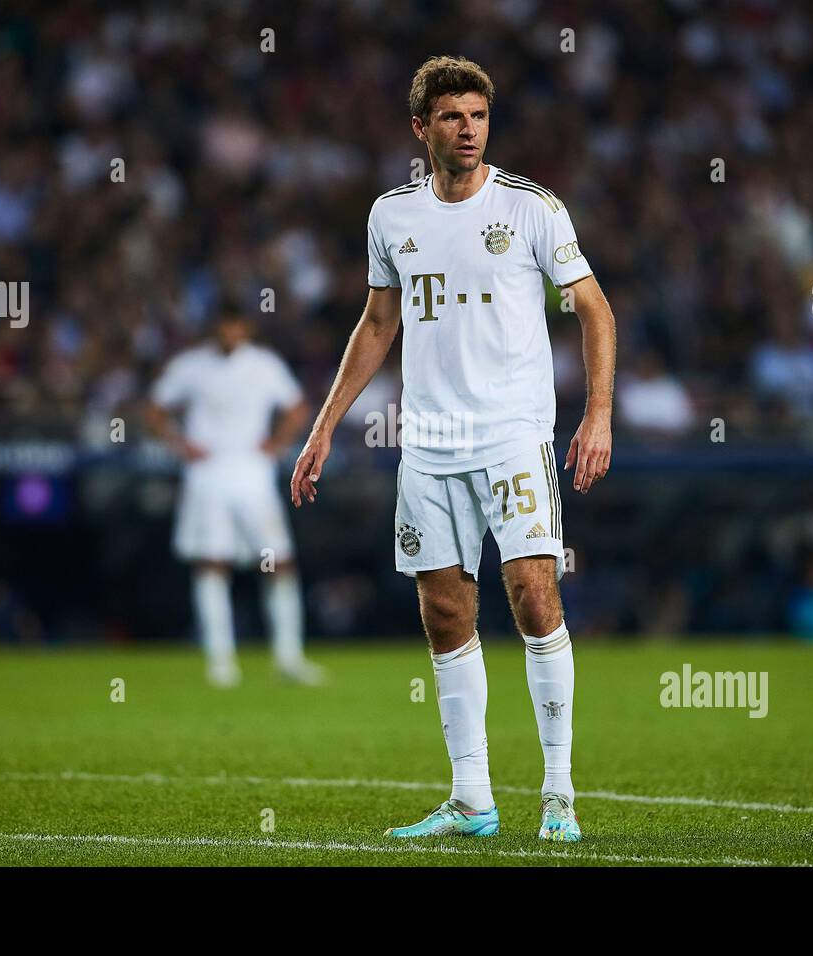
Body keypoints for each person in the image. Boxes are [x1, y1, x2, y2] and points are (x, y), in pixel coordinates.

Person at [290, 56, 616, 842]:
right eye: (451, 117)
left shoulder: (533, 209)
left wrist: (598, 413)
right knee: (443, 611)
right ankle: (472, 799)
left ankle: (559, 792)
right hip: (428, 443)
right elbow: (377, 325)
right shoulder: (391, 216)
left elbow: (594, 310)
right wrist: (325, 423)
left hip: (513, 434)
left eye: (478, 115)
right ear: (421, 128)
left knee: (536, 594)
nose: (467, 129)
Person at [147, 304, 320, 686]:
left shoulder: (264, 364)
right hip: (207, 477)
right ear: (215, 328)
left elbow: (296, 408)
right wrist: (179, 445)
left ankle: (288, 658)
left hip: (252, 476)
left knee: (279, 563)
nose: (230, 334)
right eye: (224, 327)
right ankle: (221, 662)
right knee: (212, 563)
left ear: (246, 328)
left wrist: (276, 444)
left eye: (236, 327)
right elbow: (155, 409)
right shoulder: (191, 365)